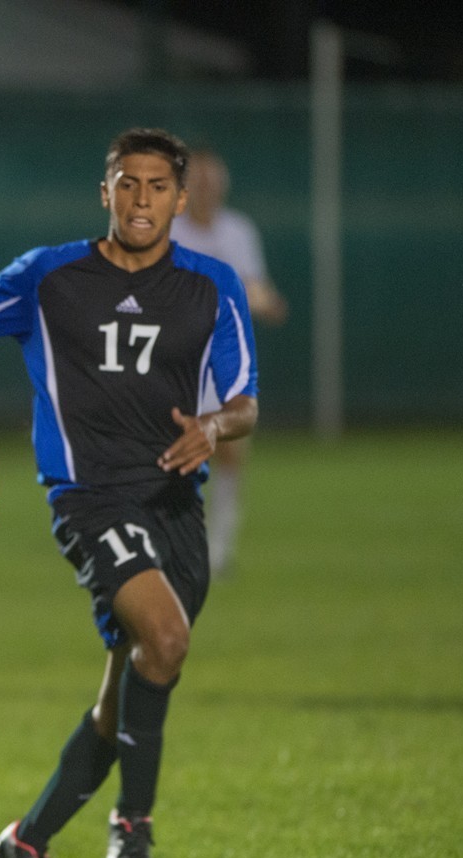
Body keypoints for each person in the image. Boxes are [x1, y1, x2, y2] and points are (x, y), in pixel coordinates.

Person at [0, 128, 257, 858]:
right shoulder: (50, 276)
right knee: (167, 635)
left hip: (175, 503)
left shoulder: (213, 284)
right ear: (106, 190)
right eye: (127, 182)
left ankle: (29, 836)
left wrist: (212, 428)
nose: (141, 199)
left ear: (181, 199)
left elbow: (246, 401)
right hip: (89, 498)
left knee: (133, 684)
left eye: (157, 186)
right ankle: (134, 828)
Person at [168, 147, 287, 576]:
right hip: (176, 360)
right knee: (176, 453)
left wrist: (266, 300)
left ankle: (218, 549)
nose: (206, 188)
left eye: (212, 180)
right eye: (198, 180)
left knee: (232, 451)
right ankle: (174, 542)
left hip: (225, 358)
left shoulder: (238, 230)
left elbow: (253, 285)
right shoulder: (169, 231)